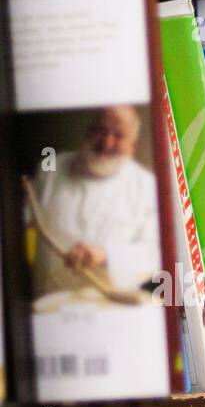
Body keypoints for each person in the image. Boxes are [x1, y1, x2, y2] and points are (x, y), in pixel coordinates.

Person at [29, 105, 159, 300]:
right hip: (48, 302)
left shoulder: (147, 186)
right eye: (101, 130)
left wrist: (105, 255)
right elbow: (25, 222)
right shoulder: (51, 168)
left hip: (110, 306)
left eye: (118, 135)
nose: (107, 142)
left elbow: (154, 254)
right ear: (89, 132)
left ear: (132, 145)